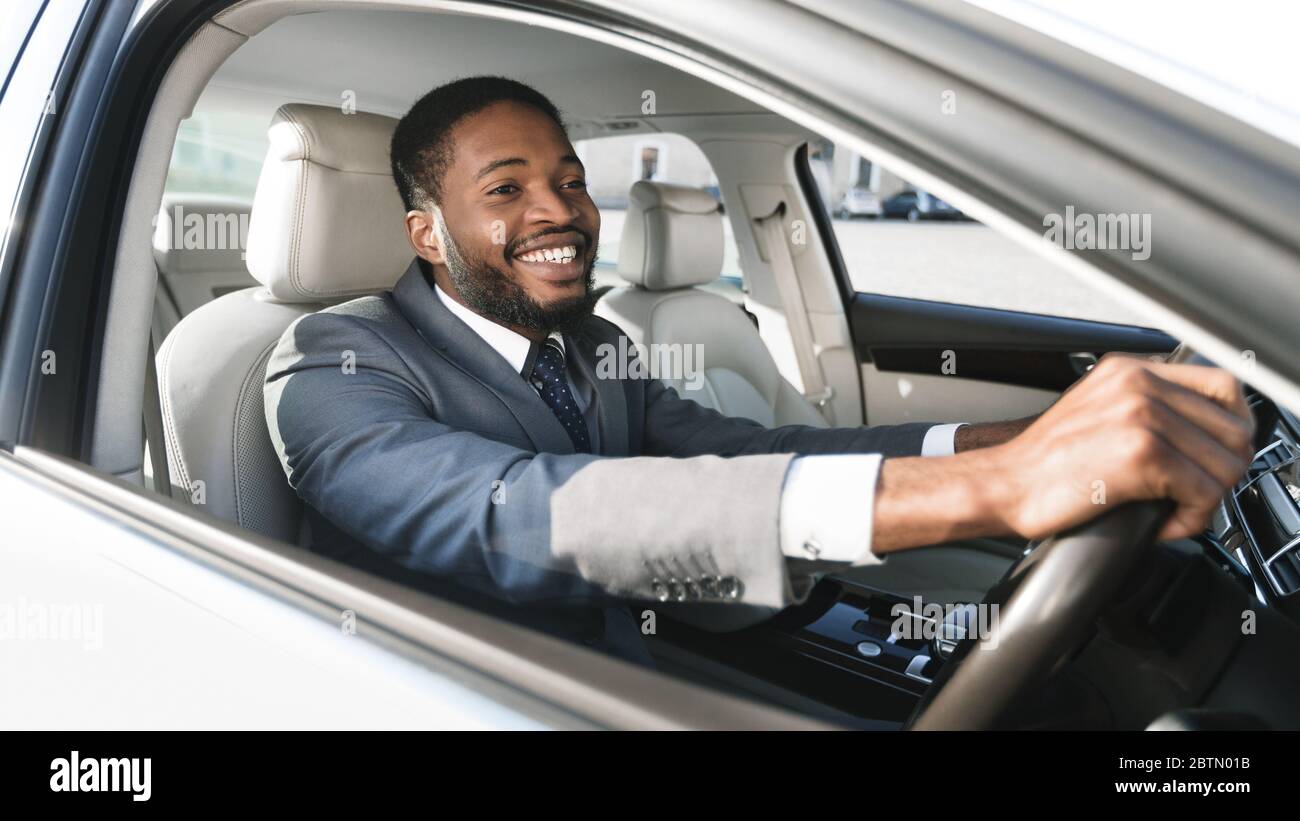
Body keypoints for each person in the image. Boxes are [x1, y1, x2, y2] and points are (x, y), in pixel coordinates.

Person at [263, 77, 1254, 662]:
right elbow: (523, 509)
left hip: (639, 663)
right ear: (424, 234)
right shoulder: (329, 366)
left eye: (570, 180)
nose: (559, 210)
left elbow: (756, 448)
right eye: (507, 188)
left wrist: (998, 442)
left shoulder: (596, 343)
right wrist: (995, 488)